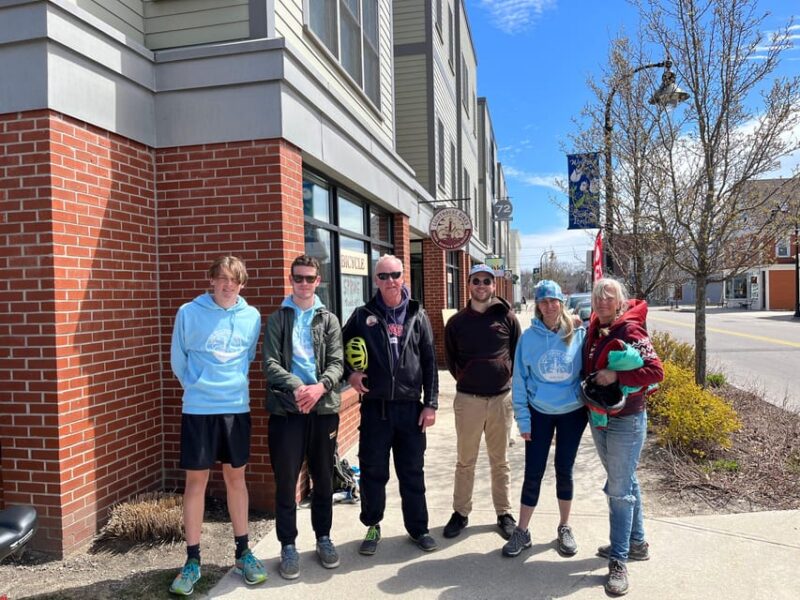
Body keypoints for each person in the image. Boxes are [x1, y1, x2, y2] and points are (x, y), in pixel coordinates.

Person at [169, 256, 267, 596]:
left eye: (235, 280)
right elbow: (178, 360)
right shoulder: (188, 313)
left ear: (242, 284)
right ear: (212, 280)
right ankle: (192, 560)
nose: (228, 286)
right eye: (223, 279)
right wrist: (197, 387)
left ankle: (243, 553)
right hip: (198, 410)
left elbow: (249, 358)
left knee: (235, 478)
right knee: (196, 483)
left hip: (235, 410)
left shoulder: (252, 317)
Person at [342, 254, 439, 555]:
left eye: (395, 274)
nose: (390, 281)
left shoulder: (417, 314)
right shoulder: (362, 315)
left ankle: (418, 528)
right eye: (383, 276)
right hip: (376, 408)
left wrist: (431, 404)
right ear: (375, 280)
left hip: (411, 409)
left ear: (403, 276)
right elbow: (339, 350)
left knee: (412, 472)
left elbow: (429, 361)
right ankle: (372, 526)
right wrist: (351, 373)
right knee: (373, 472)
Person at [263, 255, 344, 580]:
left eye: (310, 278)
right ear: (291, 279)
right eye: (299, 278)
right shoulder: (278, 319)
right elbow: (269, 363)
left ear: (318, 281)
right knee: (286, 482)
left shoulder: (329, 320)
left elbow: (338, 363)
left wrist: (319, 388)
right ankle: (288, 545)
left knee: (323, 480)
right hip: (287, 411)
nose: (304, 283)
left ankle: (323, 538)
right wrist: (300, 387)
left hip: (323, 410)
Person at [583, 278, 663, 596]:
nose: (603, 301)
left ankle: (618, 561)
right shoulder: (594, 330)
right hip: (599, 416)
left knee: (618, 490)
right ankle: (637, 542)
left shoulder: (630, 330)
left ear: (620, 301)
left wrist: (617, 374)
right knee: (625, 481)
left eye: (609, 296)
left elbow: (656, 371)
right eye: (598, 296)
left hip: (626, 419)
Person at [502, 280, 588, 560]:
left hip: (572, 414)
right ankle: (523, 531)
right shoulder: (528, 339)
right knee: (533, 472)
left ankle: (564, 526)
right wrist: (523, 421)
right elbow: (520, 383)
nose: (549, 306)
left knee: (565, 469)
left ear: (562, 303)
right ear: (537, 305)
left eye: (554, 301)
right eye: (543, 301)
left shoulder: (578, 332)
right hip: (539, 414)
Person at [442, 264, 521, 540]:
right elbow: (451, 361)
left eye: (487, 281)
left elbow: (516, 354)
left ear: (493, 285)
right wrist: (469, 376)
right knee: (466, 461)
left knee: (500, 461)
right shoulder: (456, 323)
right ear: (469, 285)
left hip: (501, 400)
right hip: (469, 401)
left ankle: (504, 512)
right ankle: (461, 512)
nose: (481, 285)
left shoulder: (507, 318)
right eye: (476, 281)